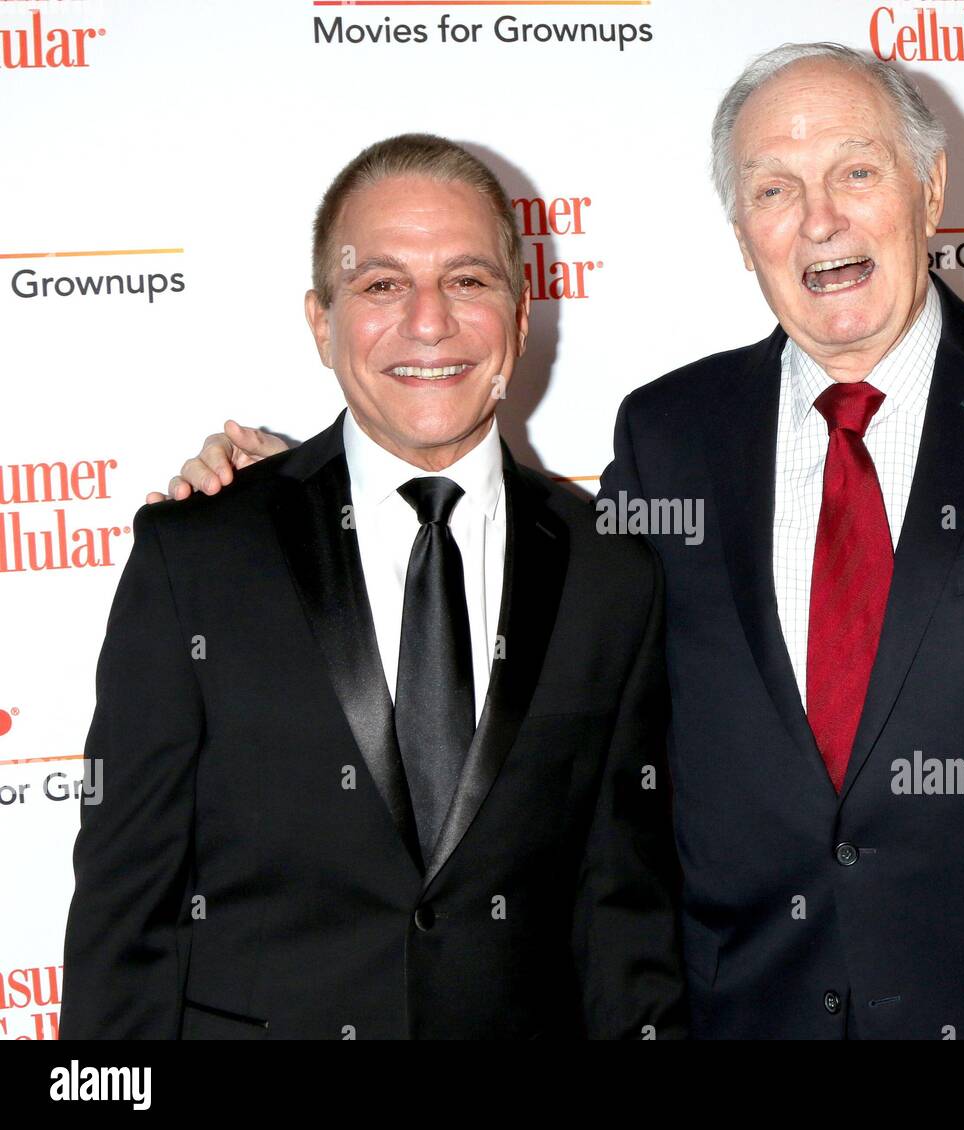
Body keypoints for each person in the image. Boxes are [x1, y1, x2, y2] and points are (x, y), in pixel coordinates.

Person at [154, 45, 964, 1039]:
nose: (817, 218)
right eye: (773, 190)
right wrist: (307, 484)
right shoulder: (669, 434)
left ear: (928, 189)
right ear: (741, 233)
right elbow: (521, 569)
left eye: (854, 172)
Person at [60, 134, 686, 1040]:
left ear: (519, 319)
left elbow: (624, 922)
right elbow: (125, 916)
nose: (429, 322)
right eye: (383, 284)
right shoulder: (198, 554)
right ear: (321, 322)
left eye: (469, 280)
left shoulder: (610, 571)